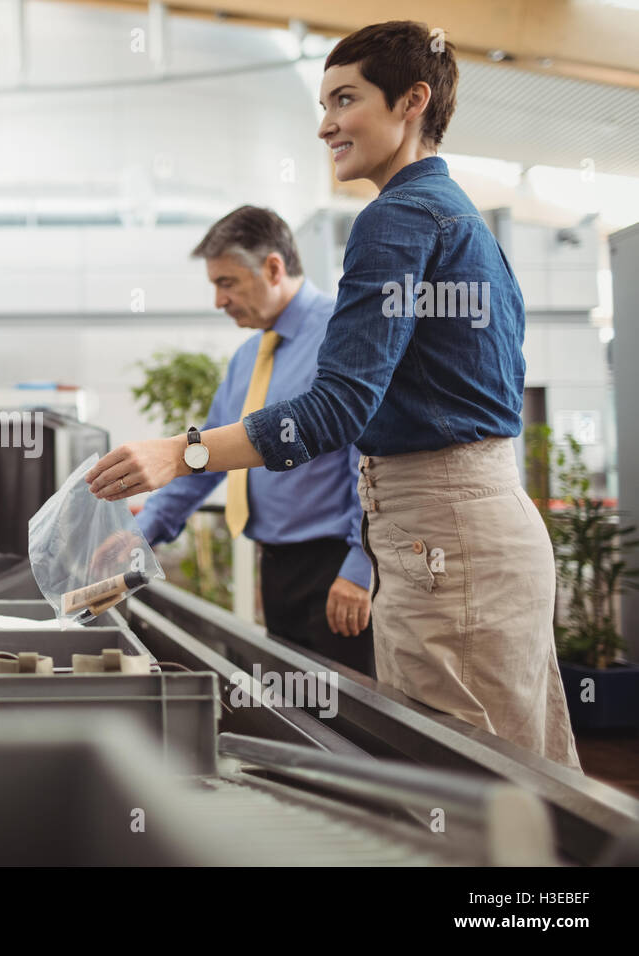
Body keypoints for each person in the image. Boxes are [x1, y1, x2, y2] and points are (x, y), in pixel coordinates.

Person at [88, 20, 580, 769]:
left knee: (465, 786)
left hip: (438, 536)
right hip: (472, 527)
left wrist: (180, 451)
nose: (325, 126)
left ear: (412, 101)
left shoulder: (396, 220)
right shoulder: (460, 222)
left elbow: (333, 414)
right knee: (521, 778)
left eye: (344, 100)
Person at [136, 206, 374, 675]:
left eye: (226, 282)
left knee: (350, 723)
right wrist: (140, 535)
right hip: (277, 566)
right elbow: (204, 457)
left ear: (272, 268)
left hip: (335, 569)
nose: (218, 301)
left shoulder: (342, 333)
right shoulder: (247, 358)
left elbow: (369, 458)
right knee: (301, 718)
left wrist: (361, 565)